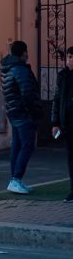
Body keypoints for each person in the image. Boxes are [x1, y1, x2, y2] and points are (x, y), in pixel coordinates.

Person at [0, 39, 42, 194]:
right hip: (23, 114)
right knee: (27, 146)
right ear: (24, 53)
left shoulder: (7, 68)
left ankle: (15, 180)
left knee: (17, 146)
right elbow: (27, 93)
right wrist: (34, 111)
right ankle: (16, 179)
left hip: (13, 112)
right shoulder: (21, 70)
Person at [51, 46, 73, 202]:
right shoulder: (63, 75)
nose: (70, 60)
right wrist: (55, 122)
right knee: (71, 158)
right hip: (68, 123)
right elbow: (57, 99)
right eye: (69, 57)